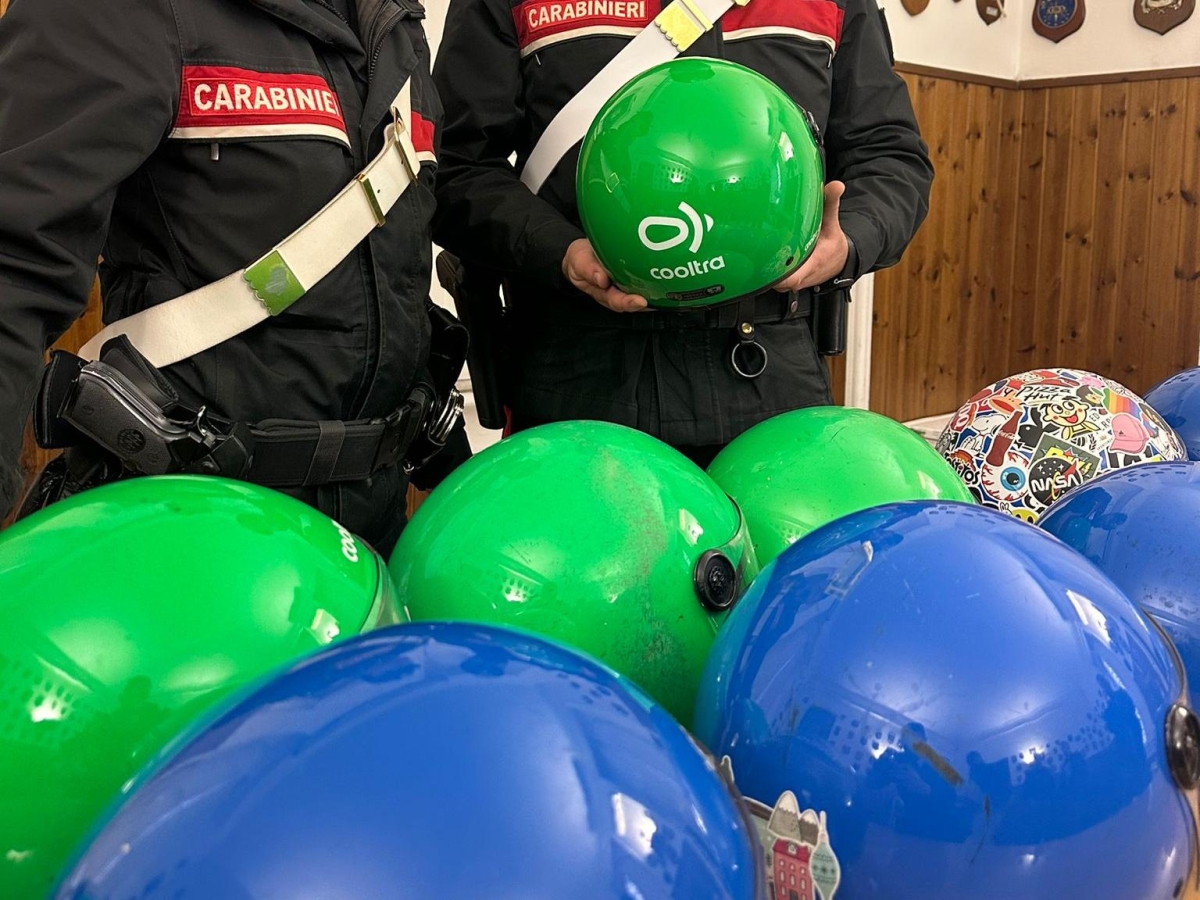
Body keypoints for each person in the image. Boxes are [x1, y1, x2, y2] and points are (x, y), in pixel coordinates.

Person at [0, 0, 459, 555]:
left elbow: (390, 272)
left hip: (375, 530)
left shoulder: (393, 24)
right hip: (196, 533)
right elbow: (15, 265)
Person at [431, 0, 934, 467]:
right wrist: (560, 251)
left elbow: (889, 156)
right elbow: (457, 167)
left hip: (772, 375)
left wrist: (846, 243)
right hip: (577, 373)